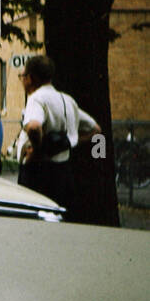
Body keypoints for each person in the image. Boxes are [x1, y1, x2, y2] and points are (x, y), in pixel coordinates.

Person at [15, 55, 100, 212]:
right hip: (63, 172)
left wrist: (37, 150)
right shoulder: (68, 100)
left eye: (22, 76)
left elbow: (33, 127)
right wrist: (72, 141)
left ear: (31, 78)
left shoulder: (36, 99)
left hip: (37, 173)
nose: (22, 81)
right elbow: (95, 129)